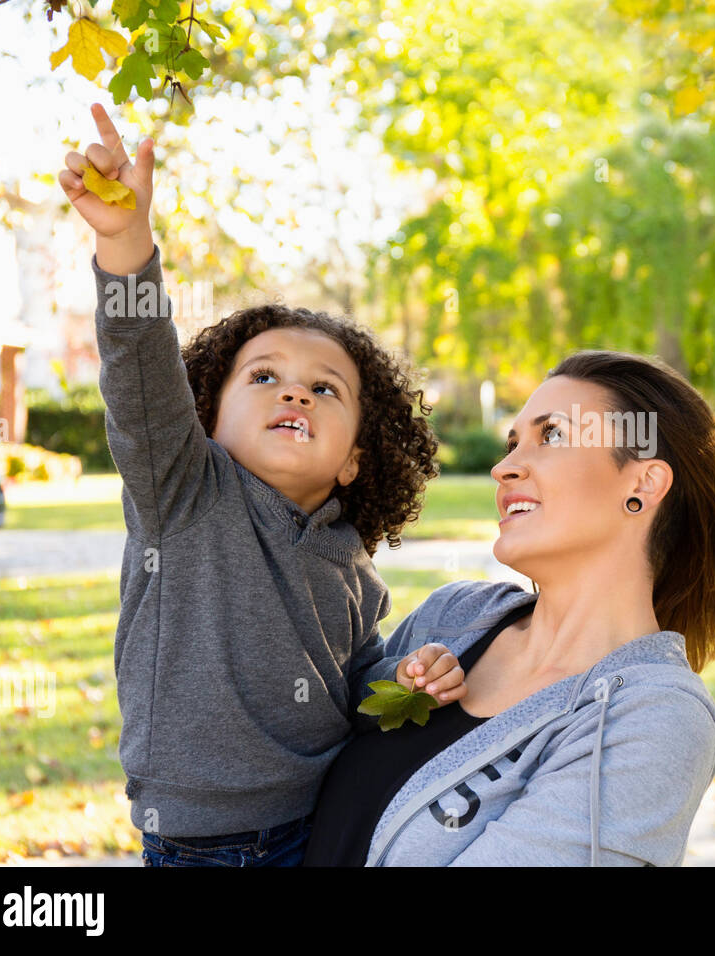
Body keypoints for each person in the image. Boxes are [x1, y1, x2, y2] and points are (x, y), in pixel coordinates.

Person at [59, 102, 468, 866]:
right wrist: (124, 243)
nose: (295, 395)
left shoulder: (348, 557)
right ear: (207, 418)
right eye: (266, 376)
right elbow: (138, 364)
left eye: (325, 390)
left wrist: (407, 679)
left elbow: (354, 680)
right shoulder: (181, 492)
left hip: (319, 827)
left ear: (354, 456)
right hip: (196, 842)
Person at [303, 350, 715, 866]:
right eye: (512, 443)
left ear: (641, 485)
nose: (504, 467)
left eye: (553, 435)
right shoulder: (454, 615)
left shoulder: (657, 718)